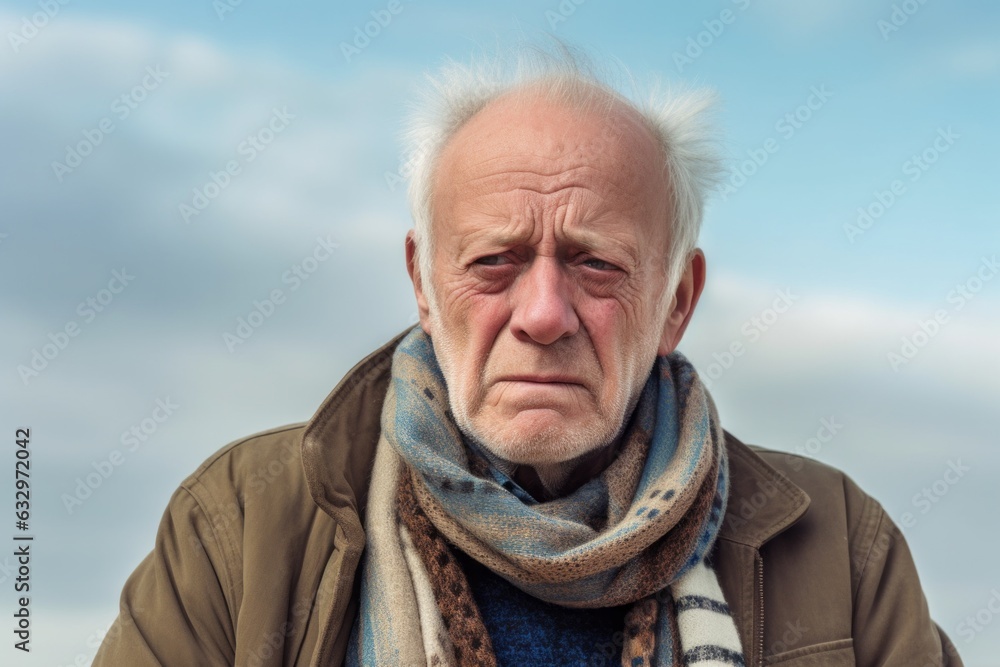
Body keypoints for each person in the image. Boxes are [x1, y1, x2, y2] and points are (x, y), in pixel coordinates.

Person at [94, 43, 962, 666]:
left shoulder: (840, 544)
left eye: (596, 263)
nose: (543, 314)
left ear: (677, 302)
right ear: (424, 286)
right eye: (493, 261)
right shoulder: (241, 524)